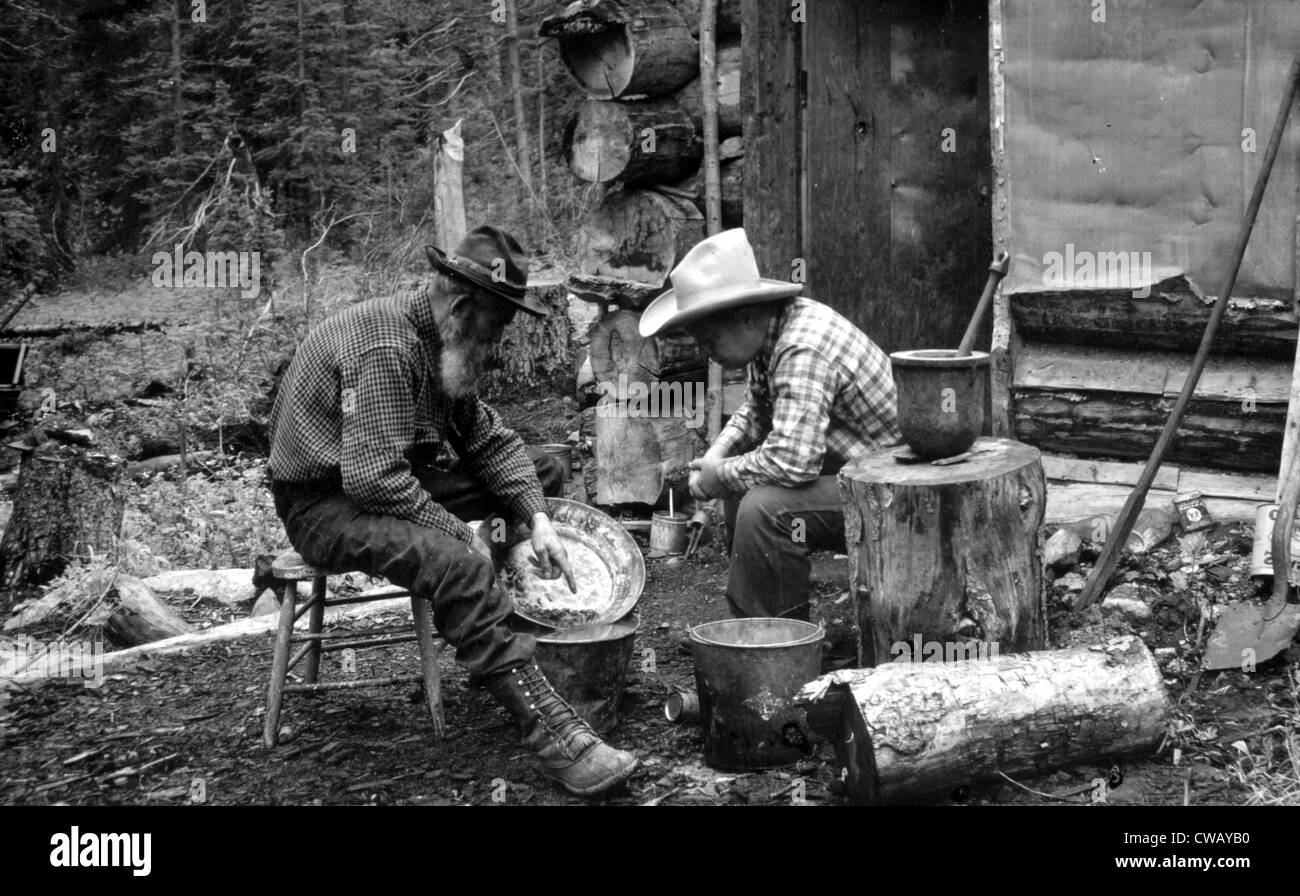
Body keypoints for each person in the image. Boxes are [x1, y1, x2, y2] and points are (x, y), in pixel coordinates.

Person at [268, 225, 638, 796]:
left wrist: (537, 519)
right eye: (497, 327)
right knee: (457, 561)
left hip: (388, 479)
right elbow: (371, 478)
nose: (495, 344)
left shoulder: (441, 336)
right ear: (465, 307)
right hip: (324, 503)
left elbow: (490, 443)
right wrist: (458, 536)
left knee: (539, 472)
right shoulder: (387, 346)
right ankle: (549, 731)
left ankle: (502, 631)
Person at [639, 229, 902, 622]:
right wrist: (719, 452)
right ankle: (756, 621)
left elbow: (795, 463)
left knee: (765, 509)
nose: (707, 354)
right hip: (859, 473)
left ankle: (776, 642)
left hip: (898, 495)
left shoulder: (801, 347)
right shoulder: (771, 333)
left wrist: (719, 476)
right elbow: (756, 408)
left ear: (746, 316)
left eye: (710, 341)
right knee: (740, 488)